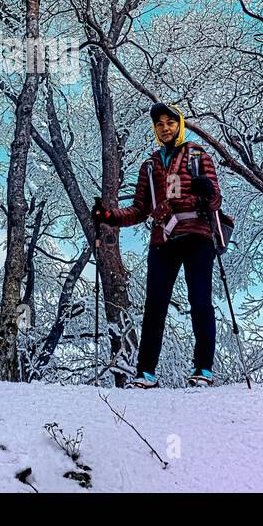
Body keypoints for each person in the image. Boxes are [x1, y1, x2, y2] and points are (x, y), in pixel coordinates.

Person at [91, 102, 223, 388]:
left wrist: (208, 190)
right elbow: (139, 210)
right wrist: (109, 216)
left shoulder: (199, 156)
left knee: (200, 301)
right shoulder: (149, 166)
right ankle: (145, 373)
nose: (165, 128)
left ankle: (203, 369)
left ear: (180, 125)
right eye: (160, 124)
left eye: (170, 122)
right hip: (163, 240)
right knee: (154, 306)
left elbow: (215, 202)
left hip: (198, 236)